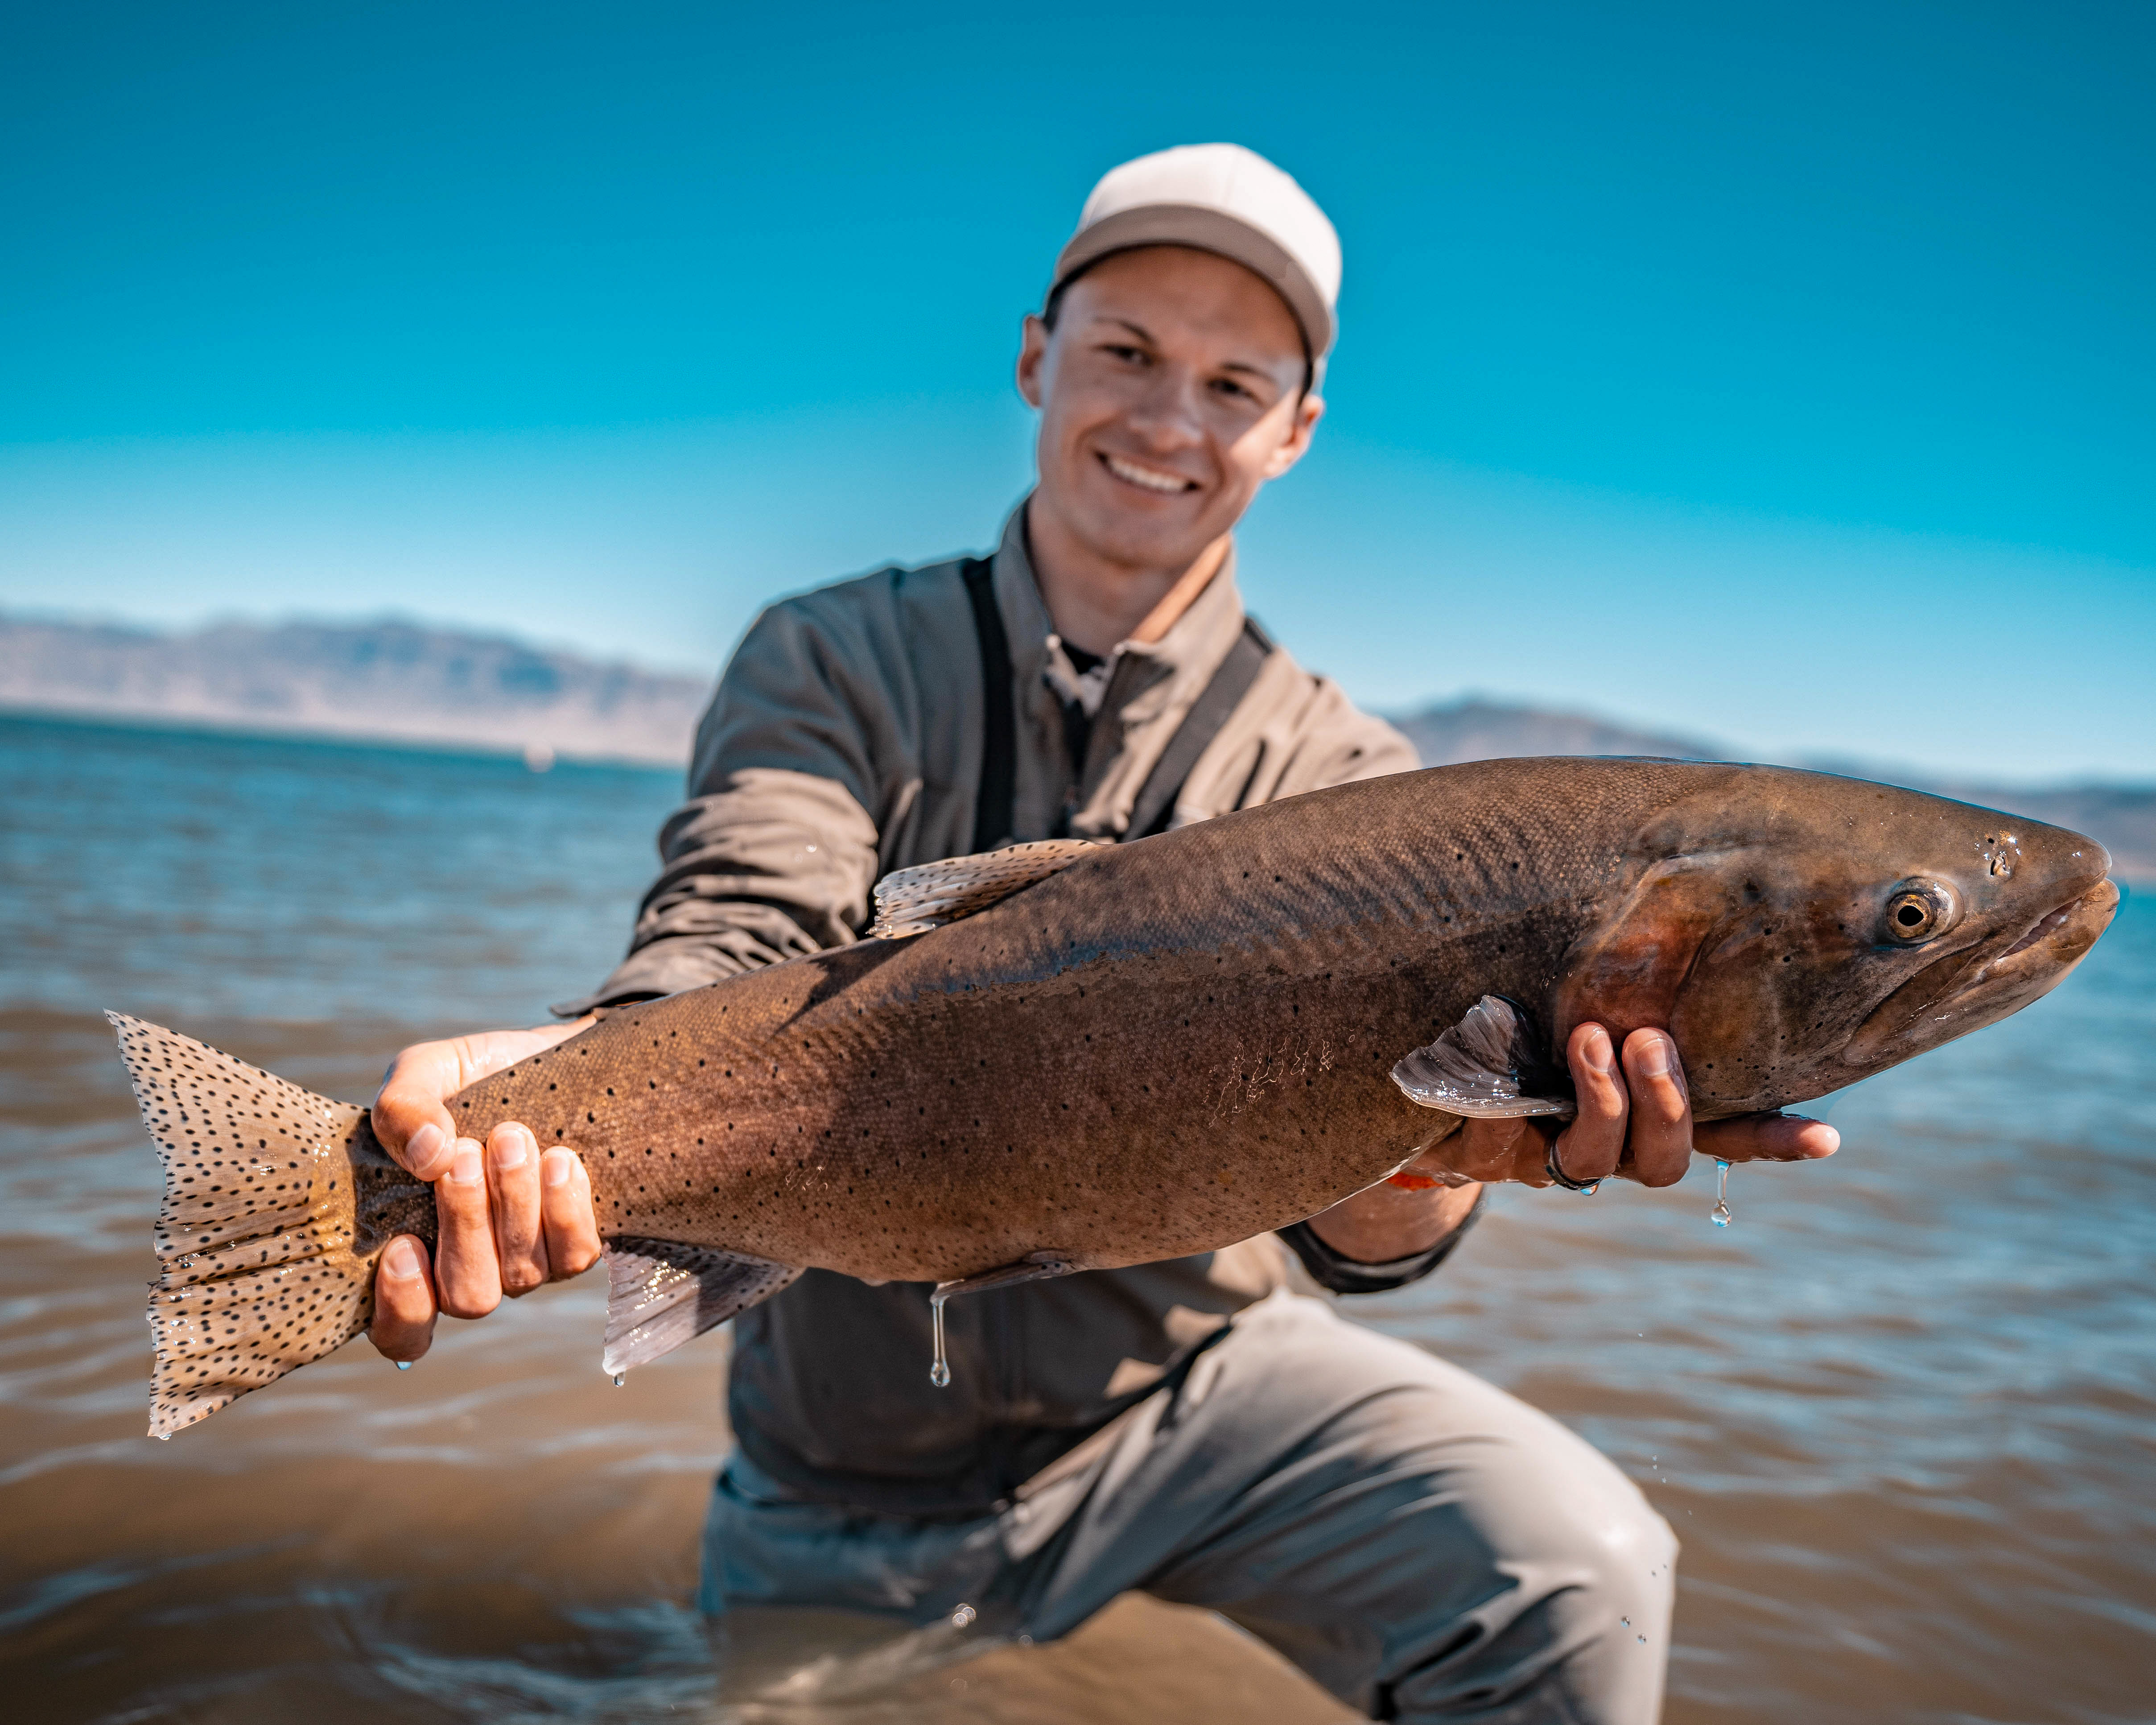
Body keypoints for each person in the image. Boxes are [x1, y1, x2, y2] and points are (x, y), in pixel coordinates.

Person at [362, 145, 1838, 1723]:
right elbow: (736, 923)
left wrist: (1434, 1166)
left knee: (1583, 1571)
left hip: (1197, 1402)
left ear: (1294, 432)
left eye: (1229, 382)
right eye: (1126, 354)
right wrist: (578, 1084)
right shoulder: (836, 655)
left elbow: (1365, 1242)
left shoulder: (1350, 779)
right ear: (1031, 357)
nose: (1164, 419)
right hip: (853, 1466)